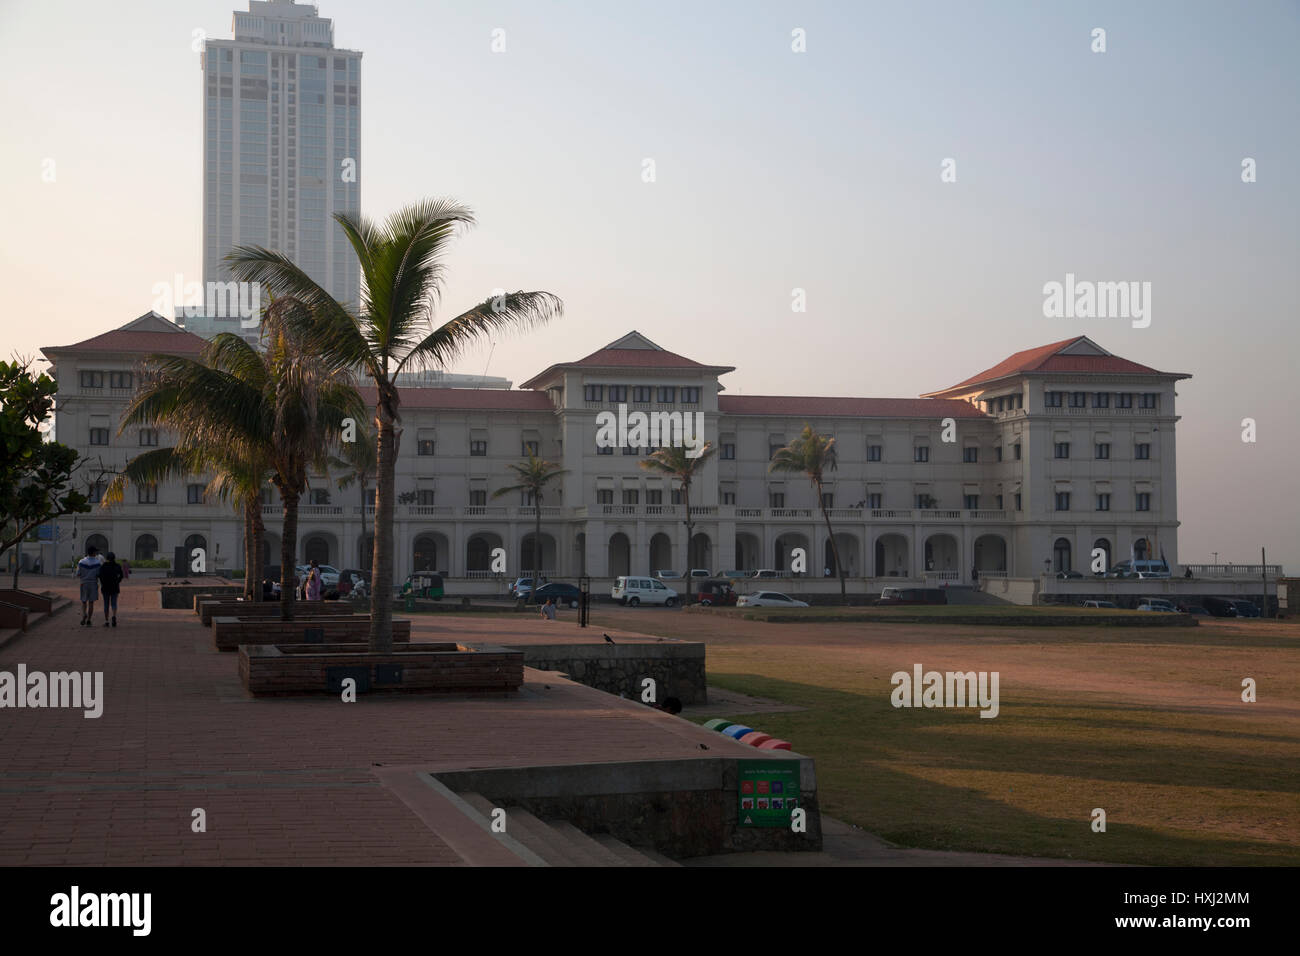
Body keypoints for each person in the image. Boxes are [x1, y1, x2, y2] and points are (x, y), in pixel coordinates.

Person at [76, 545, 103, 626]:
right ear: (94, 553)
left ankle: (84, 614)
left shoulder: (81, 562)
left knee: (84, 601)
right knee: (91, 602)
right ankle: (89, 620)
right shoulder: (98, 563)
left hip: (83, 583)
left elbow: (78, 574)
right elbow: (99, 574)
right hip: (93, 583)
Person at [97, 552, 125, 628]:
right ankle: (114, 616)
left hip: (105, 587)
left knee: (106, 604)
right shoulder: (117, 566)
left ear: (107, 558)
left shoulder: (103, 566)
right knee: (114, 603)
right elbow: (121, 576)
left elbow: (100, 576)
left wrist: (103, 583)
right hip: (115, 587)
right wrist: (117, 581)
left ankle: (106, 621)